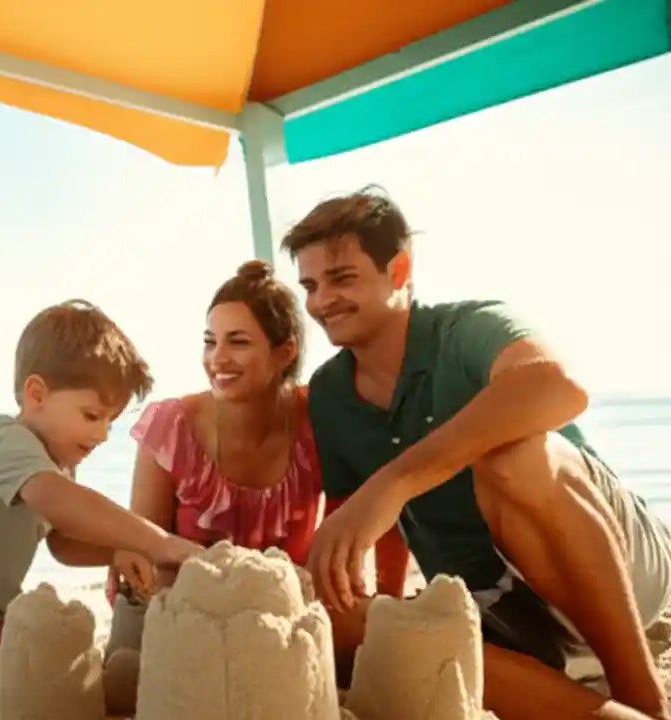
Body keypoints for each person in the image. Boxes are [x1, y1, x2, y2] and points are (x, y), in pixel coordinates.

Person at [285, 187, 671, 720]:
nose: (321, 301)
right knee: (348, 619)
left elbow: (559, 385)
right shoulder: (330, 392)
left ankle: (641, 694)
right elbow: (369, 529)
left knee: (511, 460)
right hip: (498, 603)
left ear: (398, 271)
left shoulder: (465, 329)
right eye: (310, 285)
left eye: (342, 278)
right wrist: (381, 605)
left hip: (614, 573)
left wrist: (394, 481)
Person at [0, 299, 203, 719]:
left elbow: (64, 543)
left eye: (110, 421)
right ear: (36, 395)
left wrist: (115, 552)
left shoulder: (57, 465)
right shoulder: (10, 443)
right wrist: (159, 542)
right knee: (47, 690)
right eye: (91, 415)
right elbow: (62, 505)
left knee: (51, 679)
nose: (102, 434)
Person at [101, 261, 410, 704]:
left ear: (284, 352)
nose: (217, 359)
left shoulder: (319, 418)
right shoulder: (171, 426)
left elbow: (377, 507)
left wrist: (386, 599)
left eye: (238, 342)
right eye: (210, 342)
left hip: (281, 612)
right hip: (181, 608)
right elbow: (146, 551)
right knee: (131, 685)